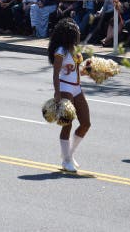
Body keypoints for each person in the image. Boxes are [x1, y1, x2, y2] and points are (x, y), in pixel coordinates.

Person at [49, 18, 91, 172]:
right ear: (69, 33)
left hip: (77, 88)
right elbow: (55, 75)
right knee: (68, 124)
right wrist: (57, 94)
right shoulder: (60, 51)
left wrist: (90, 71)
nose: (79, 32)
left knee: (86, 123)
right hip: (65, 88)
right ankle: (66, 161)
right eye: (76, 31)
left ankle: (69, 154)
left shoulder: (75, 50)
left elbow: (75, 71)